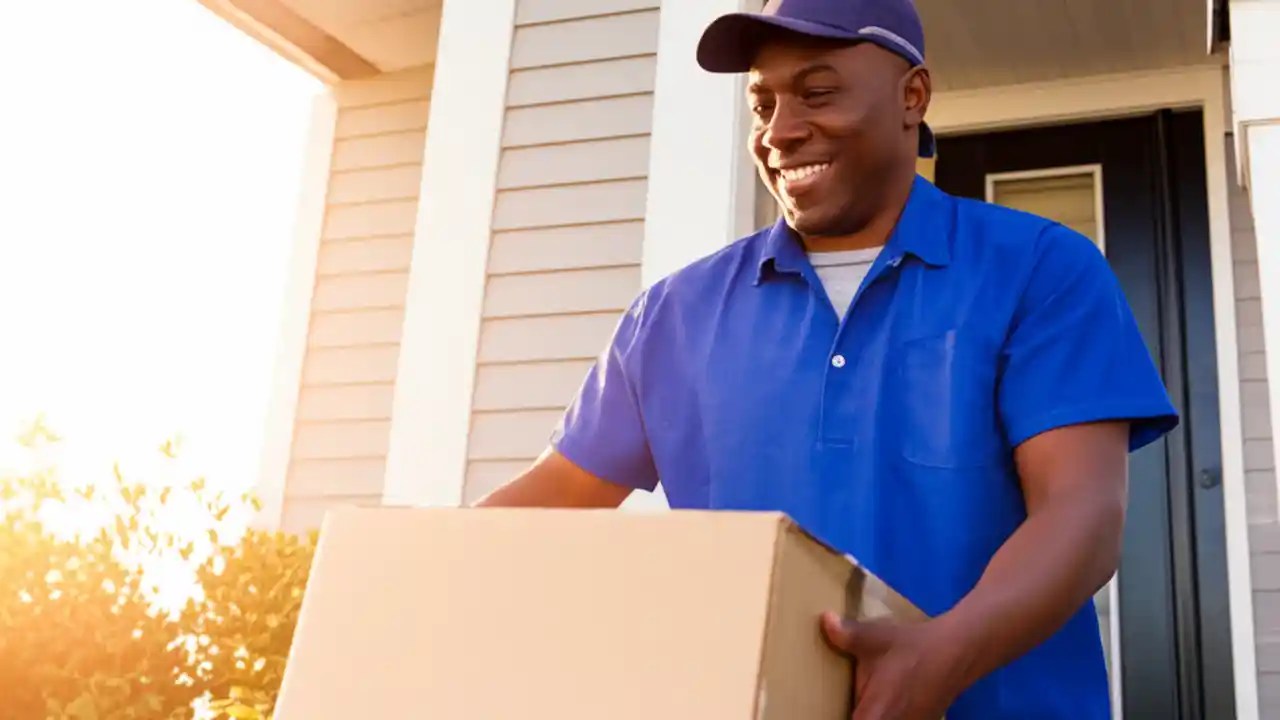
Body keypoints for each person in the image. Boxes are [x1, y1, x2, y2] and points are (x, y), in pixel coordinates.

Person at [475, 0, 1177, 717]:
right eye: (762, 103)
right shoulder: (673, 314)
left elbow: (1081, 518)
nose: (780, 131)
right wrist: (392, 581)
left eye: (817, 92)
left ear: (913, 97)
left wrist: (944, 654)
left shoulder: (1040, 268)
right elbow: (552, 499)